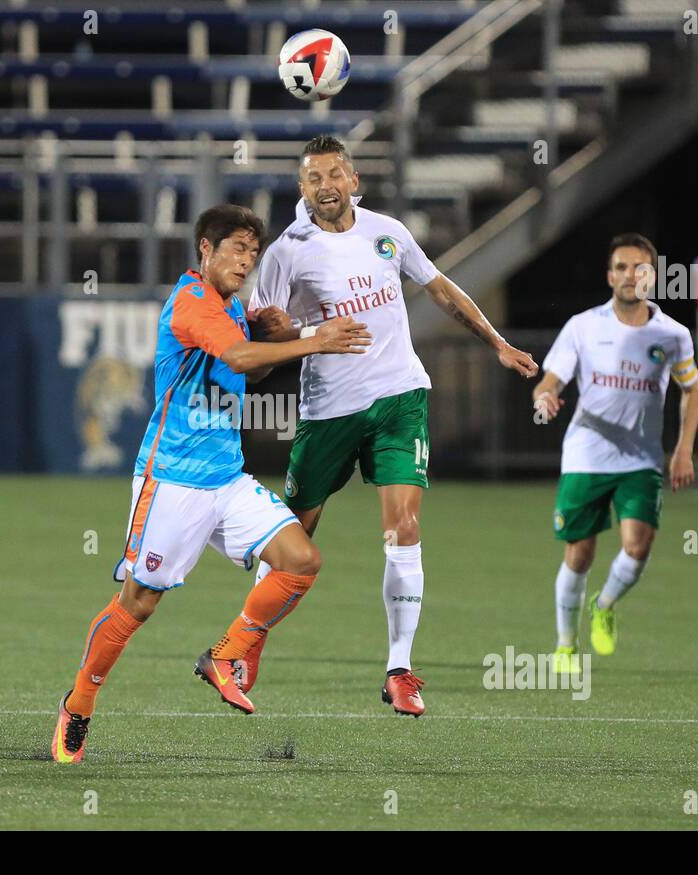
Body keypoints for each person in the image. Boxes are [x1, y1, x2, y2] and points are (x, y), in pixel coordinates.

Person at [51, 205, 372, 764]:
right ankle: (78, 704)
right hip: (172, 479)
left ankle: (224, 657)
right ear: (205, 249)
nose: (246, 261)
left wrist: (284, 335)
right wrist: (314, 339)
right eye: (236, 249)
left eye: (253, 252)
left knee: (300, 559)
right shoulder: (192, 300)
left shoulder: (232, 309)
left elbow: (248, 369)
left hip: (225, 477)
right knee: (138, 603)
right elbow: (238, 354)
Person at [246, 134, 538, 716]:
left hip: (400, 397)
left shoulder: (388, 233)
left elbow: (441, 289)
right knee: (292, 537)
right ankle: (245, 643)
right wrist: (312, 336)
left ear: (354, 180)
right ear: (301, 189)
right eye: (313, 178)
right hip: (328, 409)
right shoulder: (287, 252)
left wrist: (497, 343)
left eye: (335, 174)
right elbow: (262, 334)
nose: (326, 186)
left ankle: (399, 669)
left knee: (403, 526)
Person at [532, 234, 698, 671]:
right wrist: (545, 398)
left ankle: (604, 604)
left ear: (654, 275)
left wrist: (684, 449)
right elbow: (550, 380)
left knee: (639, 545)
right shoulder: (583, 326)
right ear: (610, 276)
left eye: (640, 268)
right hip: (587, 455)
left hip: (641, 458)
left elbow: (693, 391)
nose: (631, 275)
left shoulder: (673, 335)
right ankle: (566, 645)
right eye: (622, 268)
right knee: (580, 553)